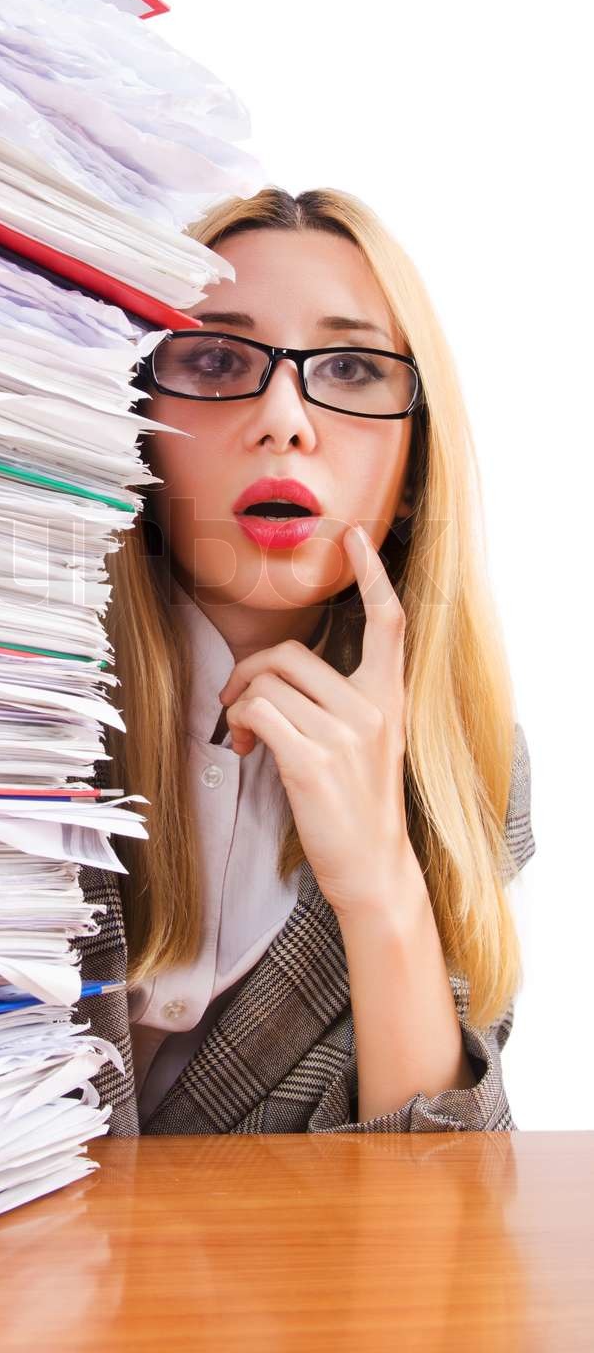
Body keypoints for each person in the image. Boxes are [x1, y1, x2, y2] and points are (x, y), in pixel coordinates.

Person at [75, 186, 534, 1136]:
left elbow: (443, 1225)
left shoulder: (469, 763)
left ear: (412, 474)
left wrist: (379, 877)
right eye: (213, 358)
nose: (285, 418)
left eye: (354, 368)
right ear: (136, 430)